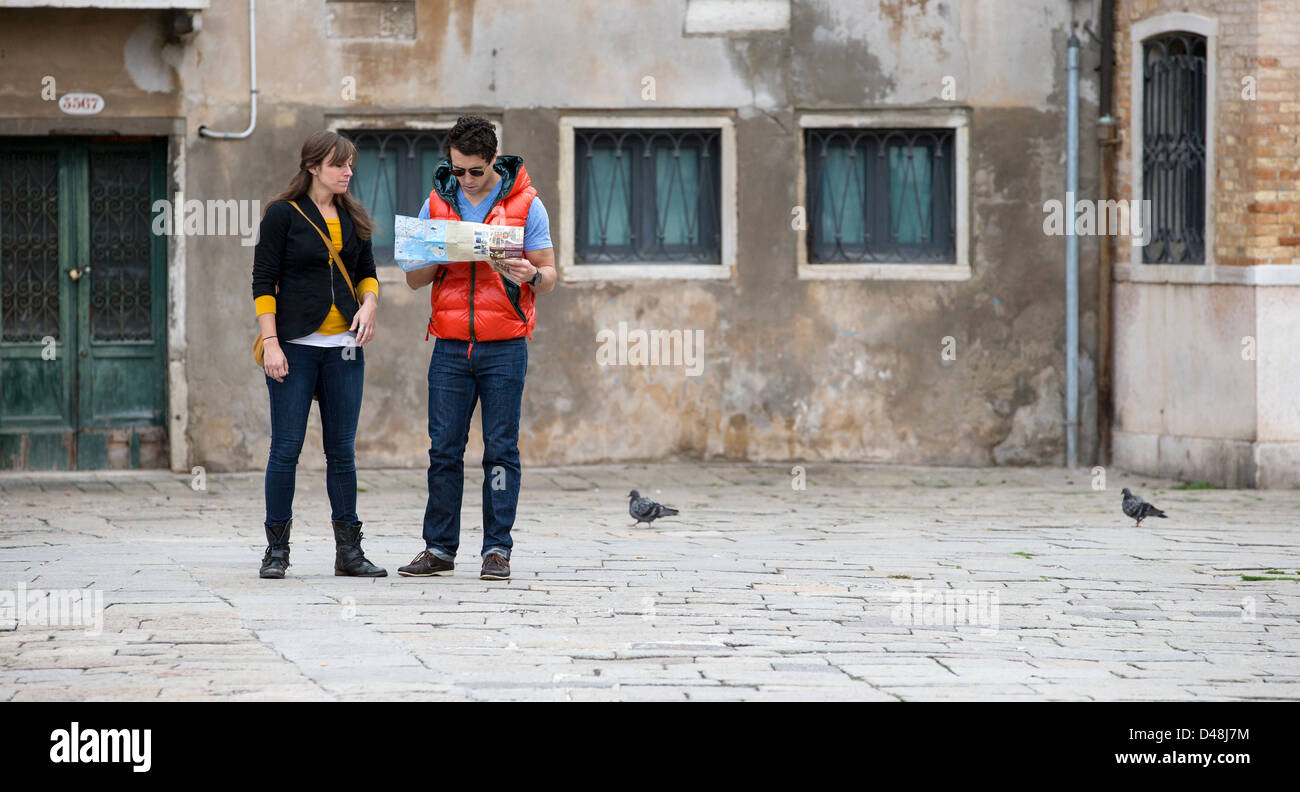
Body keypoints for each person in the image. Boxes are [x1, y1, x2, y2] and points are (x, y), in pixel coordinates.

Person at [398, 115, 556, 581]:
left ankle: (496, 550)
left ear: (493, 161)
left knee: (501, 451)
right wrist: (439, 255)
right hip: (449, 345)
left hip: (505, 345)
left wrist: (532, 275)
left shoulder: (528, 204)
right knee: (444, 450)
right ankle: (438, 549)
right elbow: (412, 276)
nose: (465, 180)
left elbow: (549, 276)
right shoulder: (437, 201)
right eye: (458, 169)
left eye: (475, 171)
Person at [251, 130, 386, 579]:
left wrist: (369, 303)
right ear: (312, 167)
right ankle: (276, 552)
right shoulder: (281, 216)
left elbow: (367, 273)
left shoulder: (353, 216)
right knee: (285, 449)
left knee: (342, 452)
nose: (348, 172)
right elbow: (263, 283)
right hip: (293, 346)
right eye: (338, 165)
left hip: (344, 349)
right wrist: (270, 343)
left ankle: (349, 553)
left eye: (351, 165)